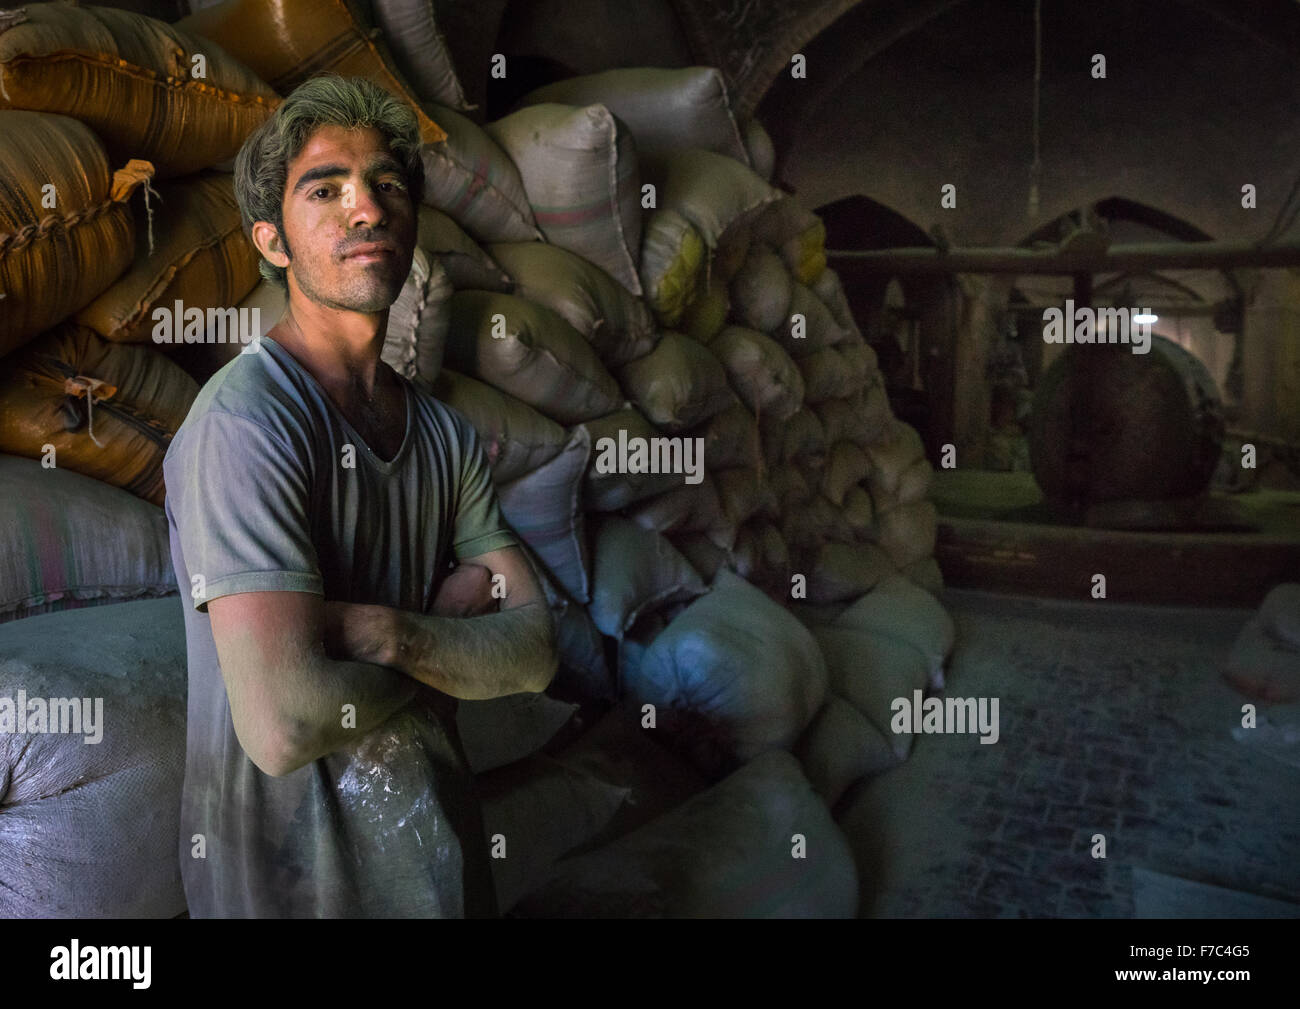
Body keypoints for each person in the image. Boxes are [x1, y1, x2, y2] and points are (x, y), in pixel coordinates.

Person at [163, 75, 558, 918]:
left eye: (386, 184)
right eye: (326, 189)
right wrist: (451, 645)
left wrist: (380, 631)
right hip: (290, 888)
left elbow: (534, 653)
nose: (367, 209)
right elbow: (286, 726)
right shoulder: (245, 423)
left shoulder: (446, 437)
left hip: (436, 865)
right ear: (272, 242)